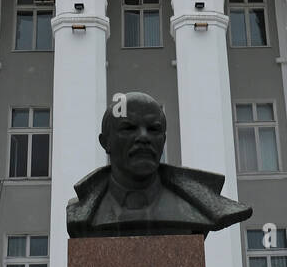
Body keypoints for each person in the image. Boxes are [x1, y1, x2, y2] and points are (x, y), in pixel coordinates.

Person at [66, 91, 252, 238]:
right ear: (105, 142)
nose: (144, 137)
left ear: (163, 140)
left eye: (153, 129)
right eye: (129, 128)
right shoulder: (82, 213)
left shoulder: (201, 208)